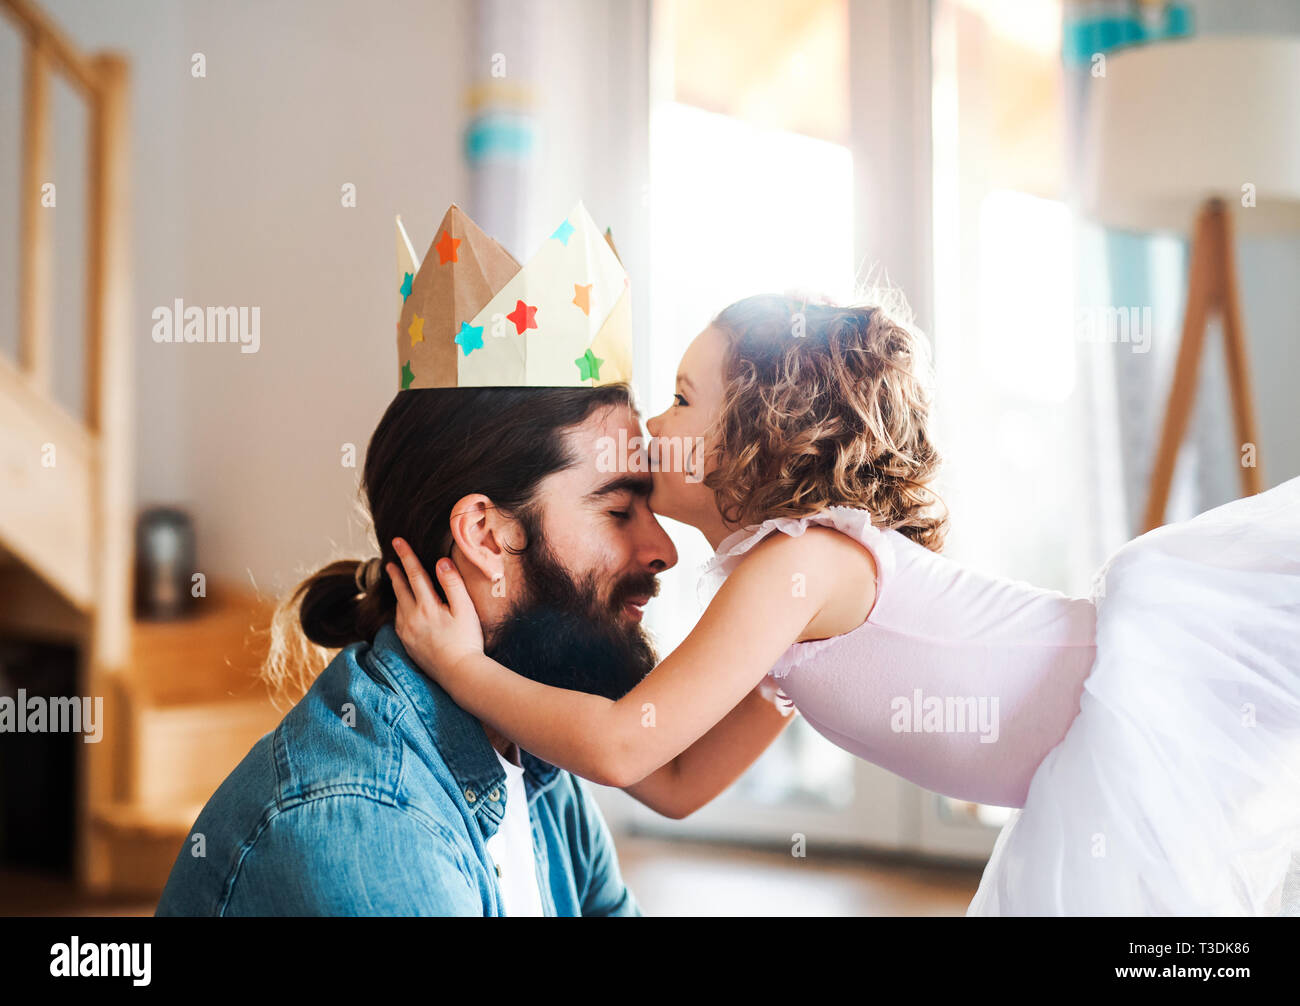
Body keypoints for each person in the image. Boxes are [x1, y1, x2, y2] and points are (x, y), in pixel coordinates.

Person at [387, 292, 1300, 916]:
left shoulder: (801, 566)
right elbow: (670, 784)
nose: (651, 427)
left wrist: (462, 668)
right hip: (1095, 754)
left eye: (680, 399)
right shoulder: (783, 604)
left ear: (765, 429)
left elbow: (625, 744)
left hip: (1138, 702)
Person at [155, 382, 791, 915]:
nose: (665, 550)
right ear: (486, 535)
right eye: (620, 510)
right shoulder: (369, 821)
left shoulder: (539, 754)